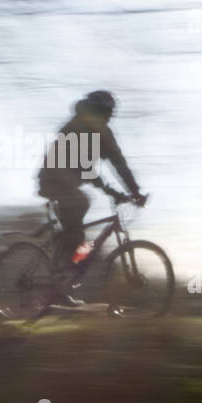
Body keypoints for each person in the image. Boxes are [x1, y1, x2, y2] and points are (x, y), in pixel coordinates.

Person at [36, 90, 144, 297]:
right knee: (81, 203)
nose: (107, 116)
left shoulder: (103, 133)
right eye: (105, 112)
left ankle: (65, 273)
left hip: (68, 180)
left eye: (109, 113)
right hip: (52, 177)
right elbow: (81, 165)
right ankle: (62, 274)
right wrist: (111, 190)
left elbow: (119, 163)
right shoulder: (77, 127)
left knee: (79, 232)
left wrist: (133, 191)